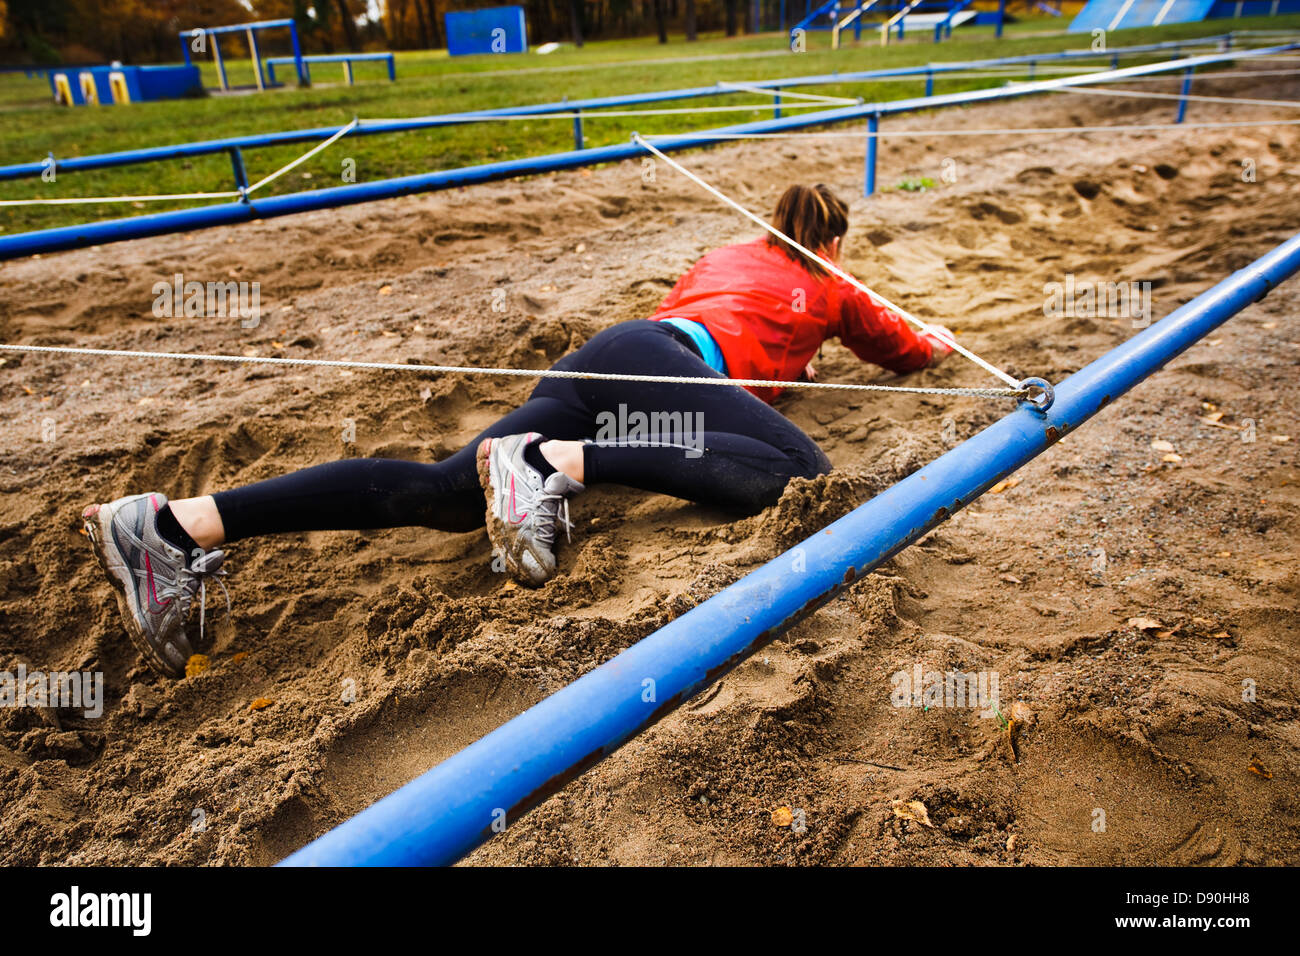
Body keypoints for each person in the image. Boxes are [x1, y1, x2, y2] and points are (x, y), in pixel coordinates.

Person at [82, 184, 954, 679]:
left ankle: (175, 524)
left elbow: (725, 331)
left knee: (445, 494)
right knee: (804, 473)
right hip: (655, 367)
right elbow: (898, 347)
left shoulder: (726, 257)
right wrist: (937, 342)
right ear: (831, 243)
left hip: (614, 356)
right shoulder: (830, 283)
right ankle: (551, 463)